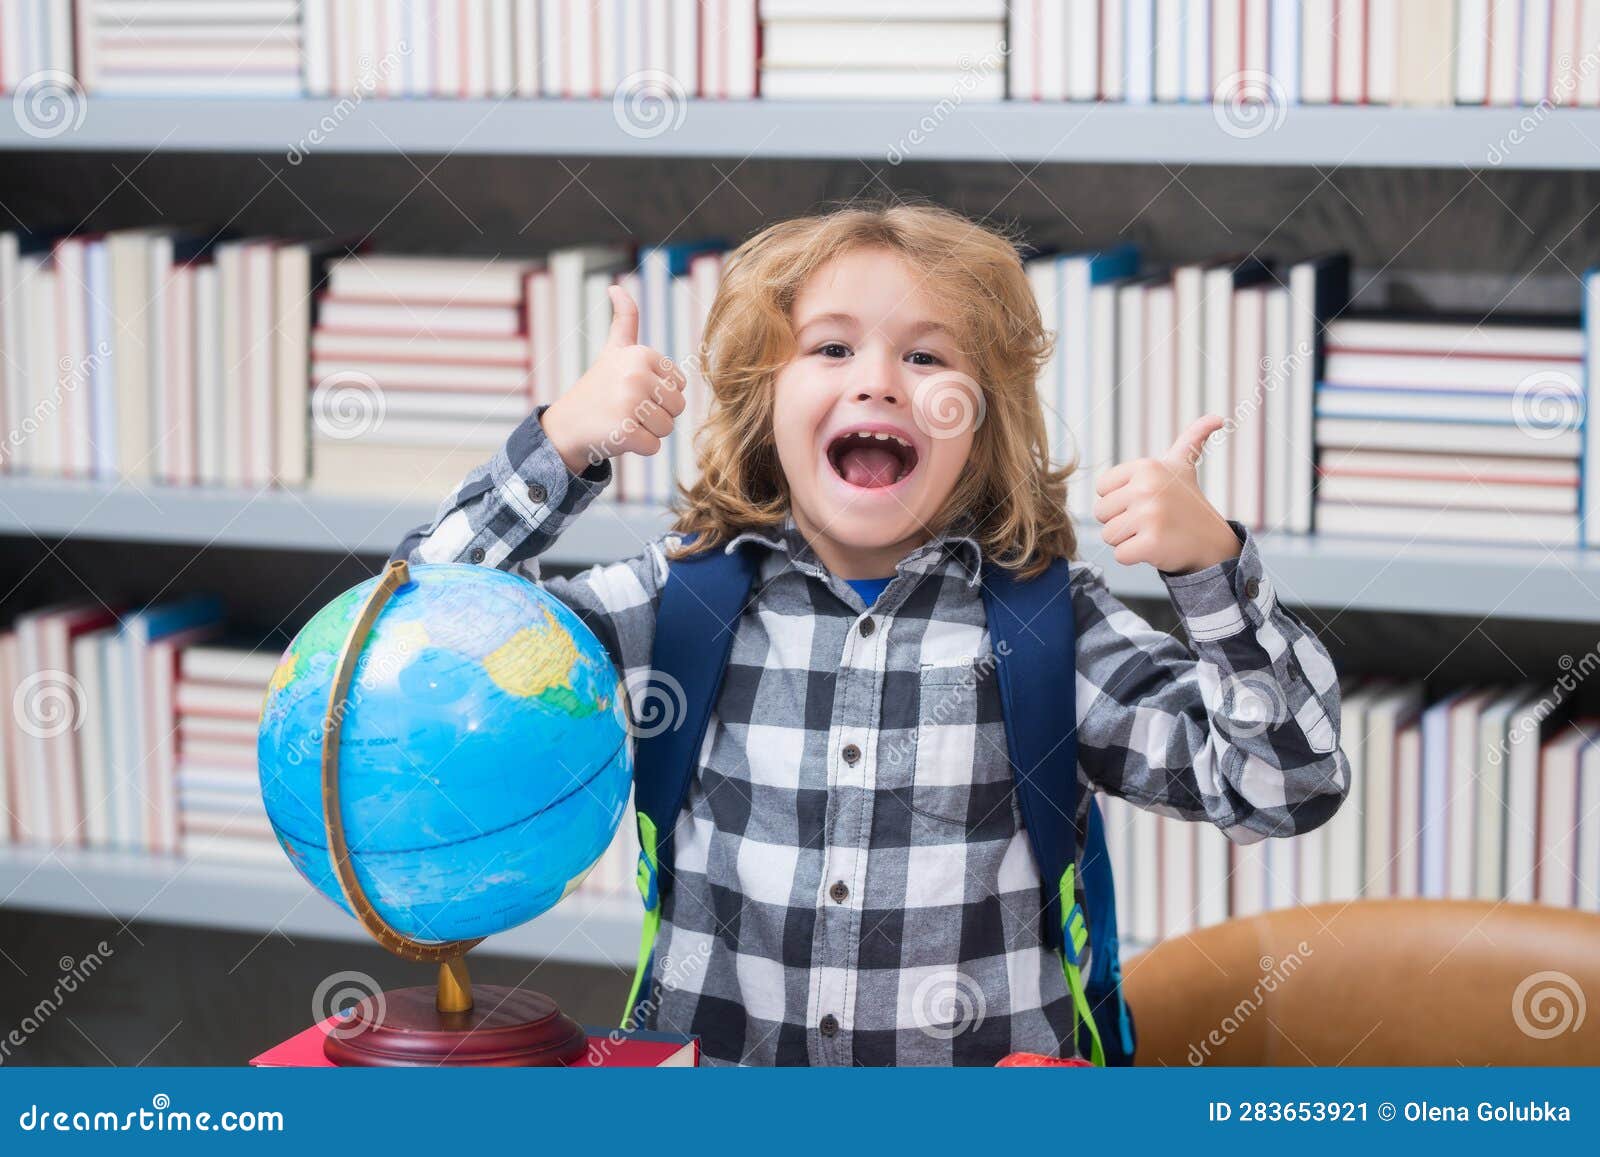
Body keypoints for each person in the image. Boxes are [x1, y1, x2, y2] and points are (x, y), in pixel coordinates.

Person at [390, 200, 1349, 1066]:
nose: (881, 382)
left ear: (982, 421)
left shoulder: (1048, 627)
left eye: (928, 356)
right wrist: (562, 441)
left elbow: (1282, 785)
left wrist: (1209, 568)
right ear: (766, 399)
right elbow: (420, 637)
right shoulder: (674, 605)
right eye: (832, 349)